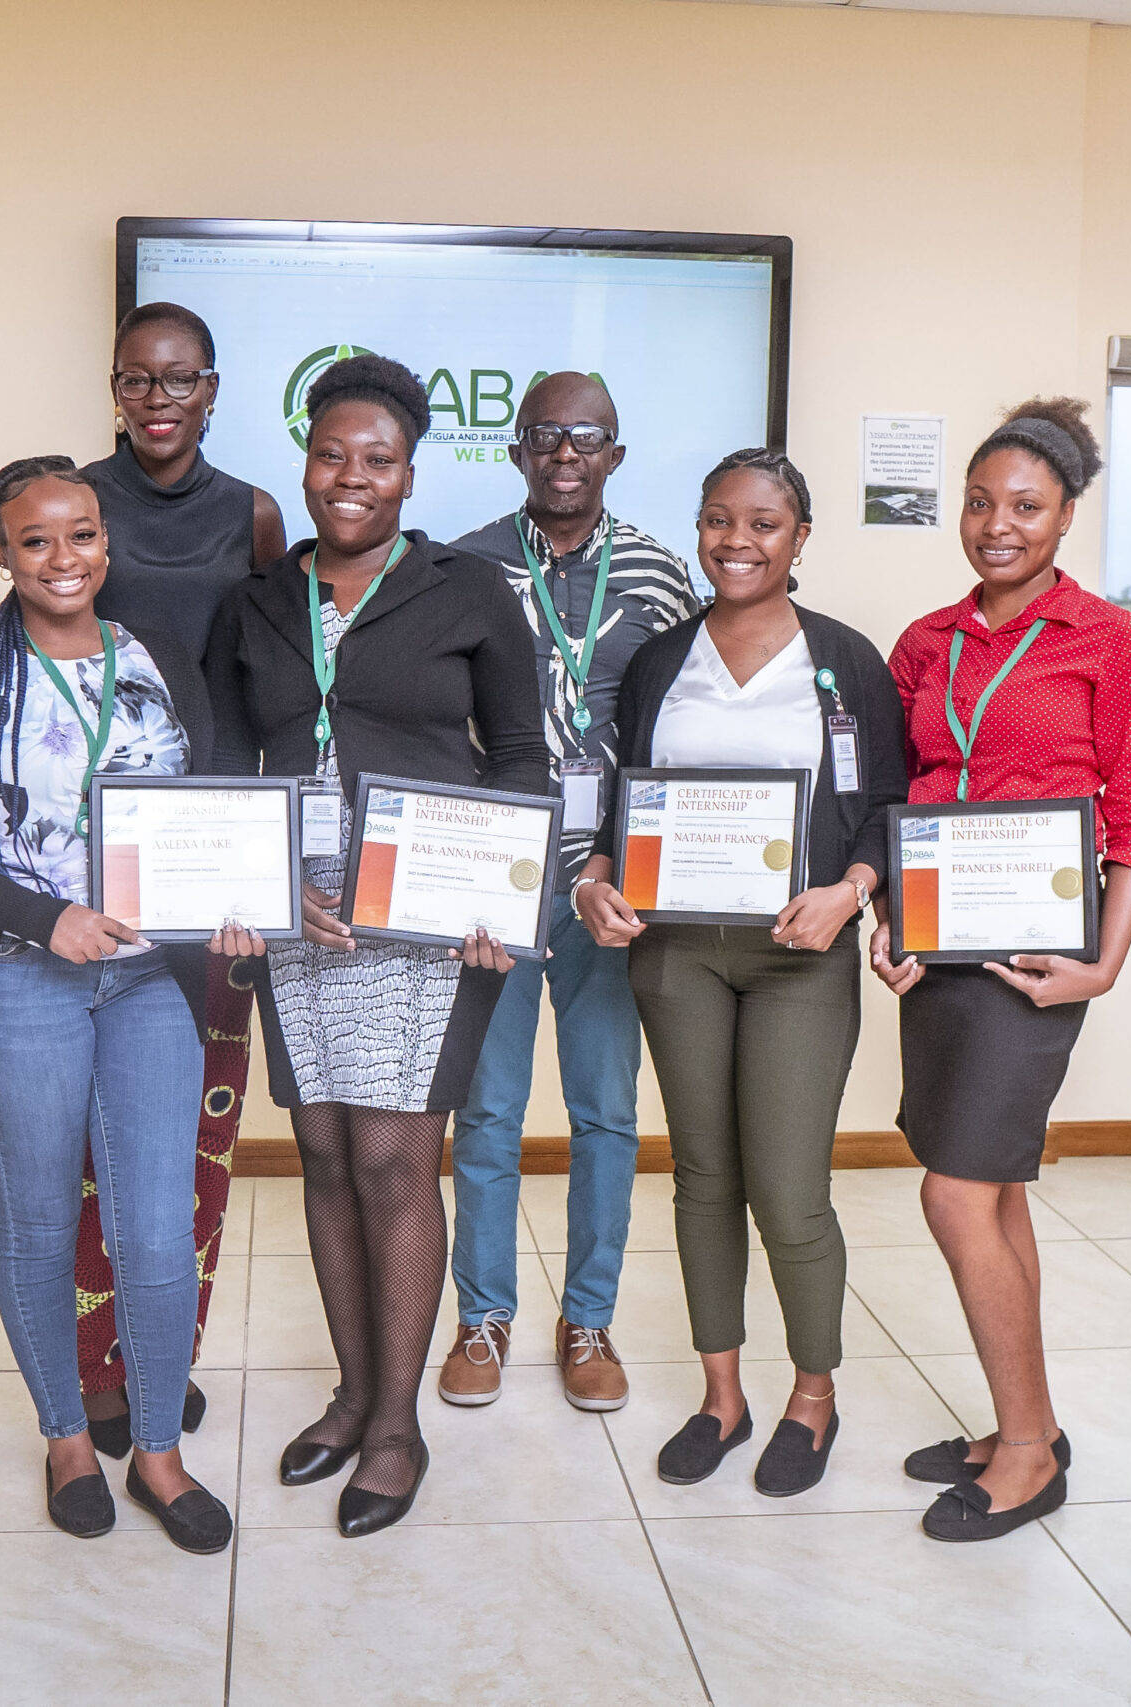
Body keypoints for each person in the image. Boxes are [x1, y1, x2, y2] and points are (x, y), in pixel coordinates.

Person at [204, 353, 552, 1535]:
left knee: (399, 1161)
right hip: (299, 920)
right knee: (323, 1157)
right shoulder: (254, 598)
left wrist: (500, 905)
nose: (350, 478)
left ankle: (397, 1431)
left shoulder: (467, 589)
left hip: (426, 918)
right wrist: (252, 886)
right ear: (304, 459)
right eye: (331, 454)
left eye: (378, 460)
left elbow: (519, 758)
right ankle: (354, 1398)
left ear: (411, 472)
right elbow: (223, 764)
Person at [0, 456, 240, 1551]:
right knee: (40, 1217)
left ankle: (161, 1461)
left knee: (157, 1229)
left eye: (80, 534)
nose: (63, 558)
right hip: (21, 976)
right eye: (35, 540)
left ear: (104, 541)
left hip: (149, 979)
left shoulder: (159, 658)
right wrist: (45, 922)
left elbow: (207, 805)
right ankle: (66, 1440)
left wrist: (231, 896)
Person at [574, 449, 909, 1497]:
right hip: (674, 951)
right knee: (703, 1177)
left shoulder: (845, 663)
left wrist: (850, 891)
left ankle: (813, 1396)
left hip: (796, 954)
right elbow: (620, 802)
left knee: (787, 1185)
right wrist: (593, 878)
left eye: (763, 523)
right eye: (718, 520)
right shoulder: (660, 660)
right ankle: (723, 1397)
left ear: (801, 537)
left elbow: (885, 808)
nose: (736, 541)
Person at [872, 398, 1131, 1542]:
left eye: (1026, 507)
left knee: (953, 1194)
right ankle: (1018, 1421)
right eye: (982, 503)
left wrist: (1103, 960)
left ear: (1066, 517)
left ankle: (1031, 1449)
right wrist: (887, 922)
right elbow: (895, 803)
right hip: (939, 942)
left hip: (1039, 948)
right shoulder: (924, 643)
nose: (999, 525)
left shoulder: (1108, 640)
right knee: (989, 1187)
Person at [438, 373, 701, 1413]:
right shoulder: (458, 568)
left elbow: (674, 736)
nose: (563, 452)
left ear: (615, 456)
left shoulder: (662, 574)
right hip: (494, 881)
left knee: (604, 1113)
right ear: (513, 449)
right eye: (544, 434)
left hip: (610, 887)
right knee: (488, 1111)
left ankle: (588, 1316)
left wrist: (636, 864)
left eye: (585, 436)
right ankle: (483, 1319)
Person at [65, 302, 290, 1457]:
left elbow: (253, 688)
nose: (158, 400)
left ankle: (163, 1353)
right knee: (94, 1134)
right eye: (137, 381)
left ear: (213, 388)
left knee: (199, 1128)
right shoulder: (75, 505)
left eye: (180, 380)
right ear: (115, 389)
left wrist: (257, 865)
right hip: (87, 861)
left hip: (208, 866)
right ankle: (89, 1366)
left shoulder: (254, 513)